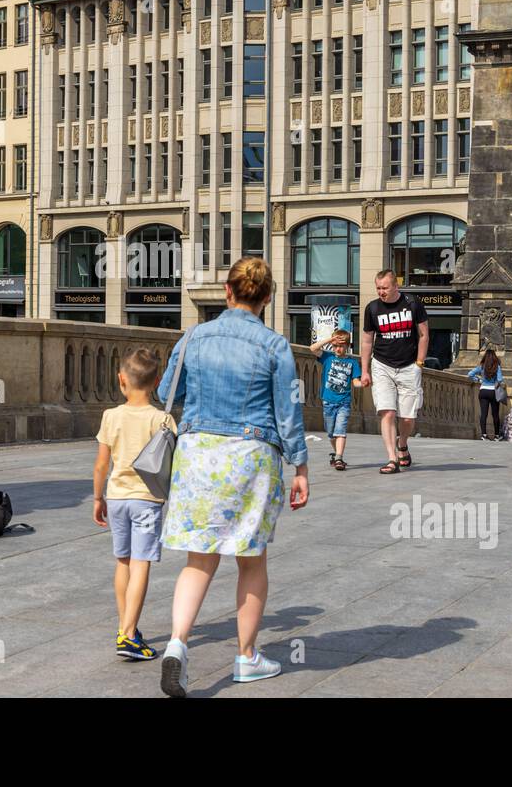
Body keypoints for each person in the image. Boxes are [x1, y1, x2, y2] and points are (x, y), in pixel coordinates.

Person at [156, 257, 310, 697]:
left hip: (199, 455)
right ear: (266, 298)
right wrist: (300, 466)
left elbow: (167, 394)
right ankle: (246, 657)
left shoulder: (194, 337)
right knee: (251, 559)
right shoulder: (275, 345)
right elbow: (288, 412)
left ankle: (177, 645)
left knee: (198, 559)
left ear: (227, 291)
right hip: (250, 455)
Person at [93, 349, 174, 661]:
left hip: (116, 497)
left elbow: (101, 465)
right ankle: (128, 634)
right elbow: (171, 464)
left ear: (121, 379)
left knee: (123, 561)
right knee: (141, 563)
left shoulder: (110, 416)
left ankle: (125, 627)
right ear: (155, 382)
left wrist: (98, 497)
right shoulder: (162, 419)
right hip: (147, 501)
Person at [360, 269, 429, 475]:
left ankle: (403, 443)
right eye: (378, 288)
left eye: (385, 288)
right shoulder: (372, 309)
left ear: (396, 286)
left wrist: (419, 363)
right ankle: (392, 459)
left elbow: (424, 335)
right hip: (382, 364)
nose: (381, 292)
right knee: (387, 412)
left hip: (409, 366)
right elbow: (366, 340)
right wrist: (365, 371)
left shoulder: (412, 304)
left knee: (408, 418)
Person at [310, 328, 364, 471]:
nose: (338, 349)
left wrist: (362, 383)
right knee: (331, 433)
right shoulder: (327, 357)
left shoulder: (353, 363)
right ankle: (336, 454)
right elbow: (313, 348)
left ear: (347, 346)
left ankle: (339, 458)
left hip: (343, 402)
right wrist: (330, 340)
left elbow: (355, 382)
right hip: (328, 401)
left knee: (340, 430)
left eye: (341, 346)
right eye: (335, 346)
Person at [466, 349, 504, 441]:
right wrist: (495, 383)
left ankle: (484, 435)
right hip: (493, 392)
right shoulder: (497, 367)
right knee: (495, 414)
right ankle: (496, 436)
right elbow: (500, 380)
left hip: (483, 391)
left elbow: (470, 374)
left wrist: (479, 380)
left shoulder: (482, 367)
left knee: (484, 414)